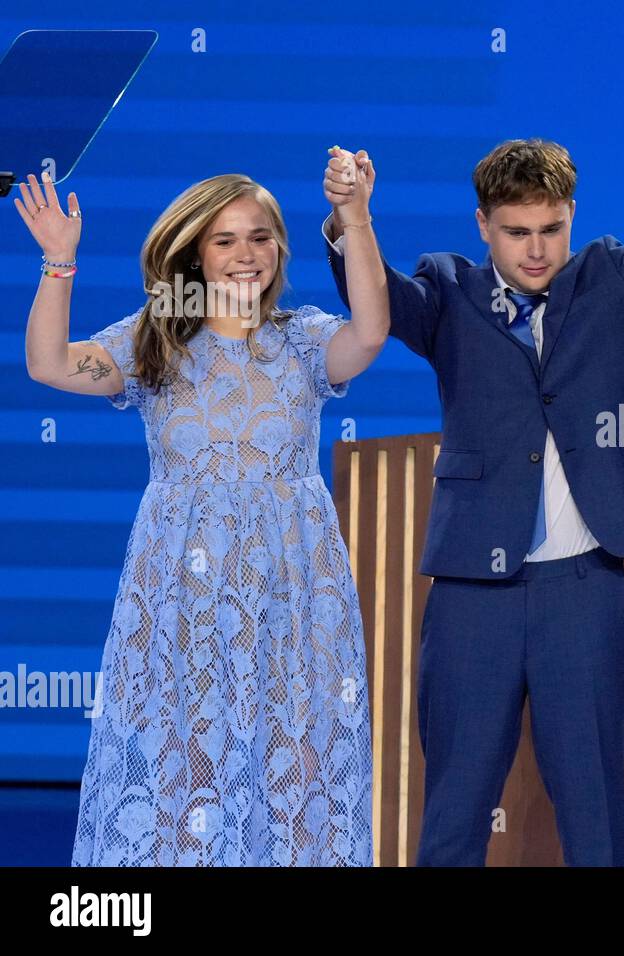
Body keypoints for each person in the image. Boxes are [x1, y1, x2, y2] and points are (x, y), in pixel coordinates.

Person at [321, 22, 624, 866]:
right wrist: (351, 219)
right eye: (517, 231)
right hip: (470, 599)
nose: (536, 249)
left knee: (597, 817)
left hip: (585, 595)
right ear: (483, 225)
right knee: (452, 813)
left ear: (571, 221)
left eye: (551, 229)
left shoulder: (610, 279)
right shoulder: (445, 291)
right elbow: (372, 299)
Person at [15, 165, 389, 866]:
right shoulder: (152, 344)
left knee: (299, 766)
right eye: (225, 241)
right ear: (194, 255)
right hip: (184, 596)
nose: (246, 254)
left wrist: (356, 217)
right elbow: (50, 365)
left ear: (280, 249)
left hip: (293, 593)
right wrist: (58, 259)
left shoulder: (304, 342)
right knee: (186, 770)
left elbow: (370, 333)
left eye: (261, 237)